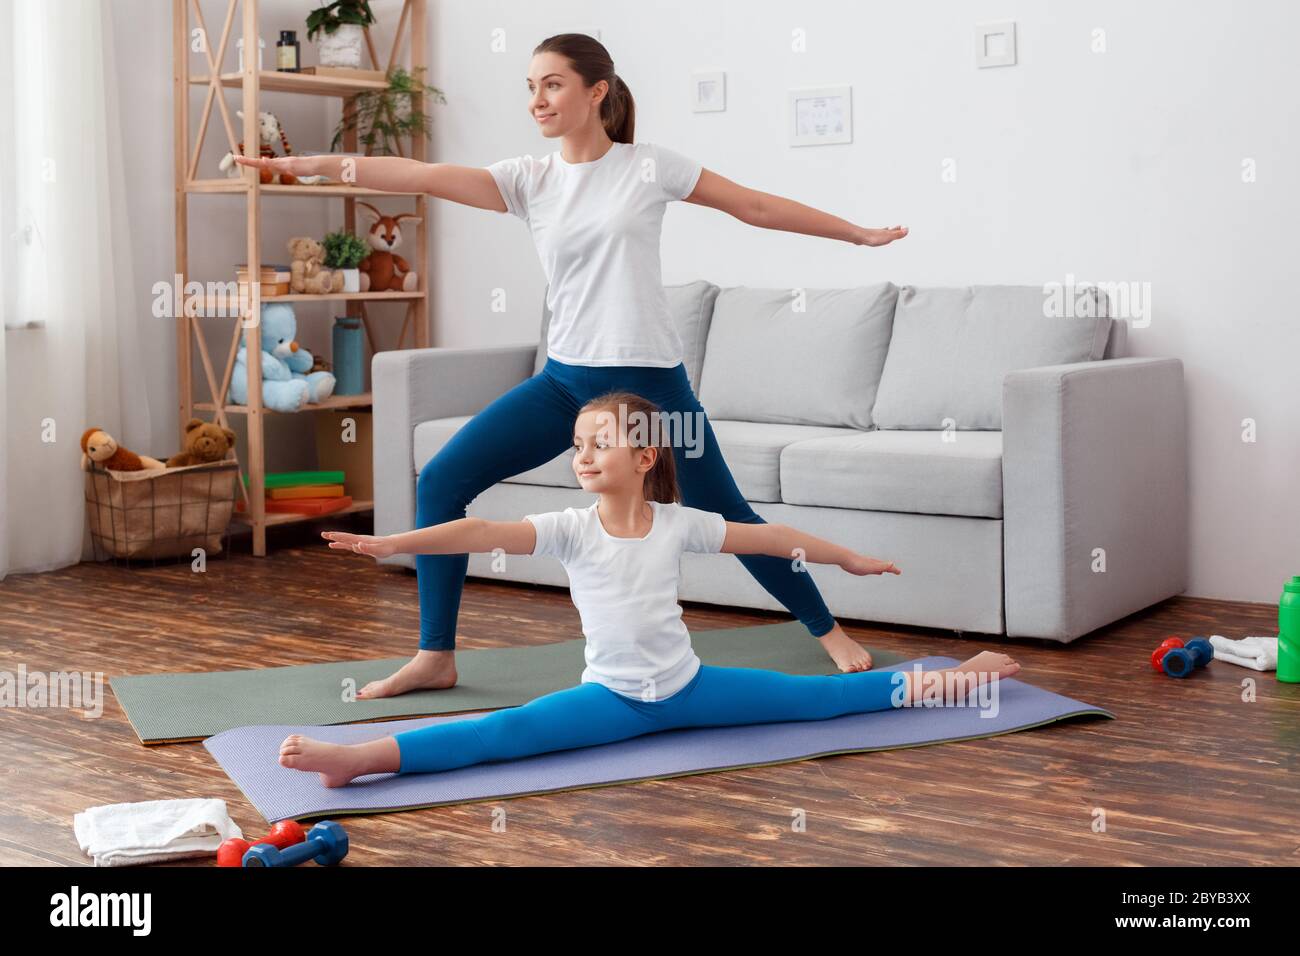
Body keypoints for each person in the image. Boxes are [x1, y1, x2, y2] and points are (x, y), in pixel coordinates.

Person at [236, 32, 911, 700]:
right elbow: (417, 177)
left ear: (597, 91)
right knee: (442, 478)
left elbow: (754, 205)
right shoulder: (530, 180)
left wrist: (857, 233)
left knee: (727, 513)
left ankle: (827, 630)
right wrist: (309, 166)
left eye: (552, 84)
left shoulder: (649, 167)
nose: (537, 99)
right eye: (530, 87)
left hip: (651, 394)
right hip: (565, 387)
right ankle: (434, 656)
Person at [281, 393, 1020, 787]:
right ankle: (357, 758)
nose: (582, 456)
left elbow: (766, 537)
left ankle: (963, 679)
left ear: (644, 456)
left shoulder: (678, 523)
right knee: (497, 737)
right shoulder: (570, 527)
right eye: (577, 445)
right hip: (609, 699)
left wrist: (848, 558)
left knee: (833, 701)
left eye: (598, 443)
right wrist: (393, 543)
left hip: (692, 688)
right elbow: (478, 534)